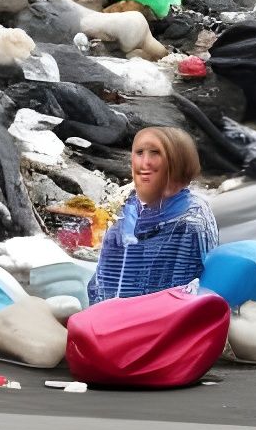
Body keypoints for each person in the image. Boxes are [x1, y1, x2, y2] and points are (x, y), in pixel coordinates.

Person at [87, 127, 218, 303]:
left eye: (155, 153)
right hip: (109, 319)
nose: (145, 162)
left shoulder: (192, 220)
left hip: (163, 320)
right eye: (139, 153)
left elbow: (201, 288)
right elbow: (102, 281)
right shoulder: (127, 210)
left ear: (178, 162)